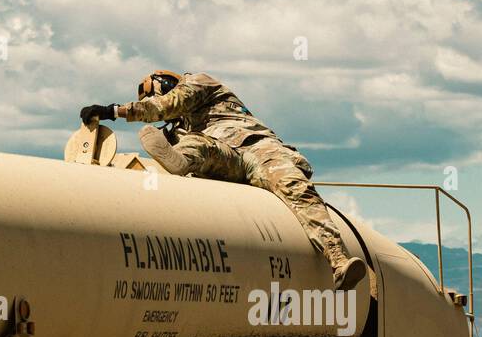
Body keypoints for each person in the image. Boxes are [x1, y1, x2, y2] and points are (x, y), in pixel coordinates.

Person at [81, 71, 367, 290]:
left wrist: (113, 111)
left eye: (152, 94)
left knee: (296, 189)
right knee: (197, 146)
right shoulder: (184, 129)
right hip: (225, 157)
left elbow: (166, 106)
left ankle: (338, 260)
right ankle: (182, 162)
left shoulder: (200, 82)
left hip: (256, 146)